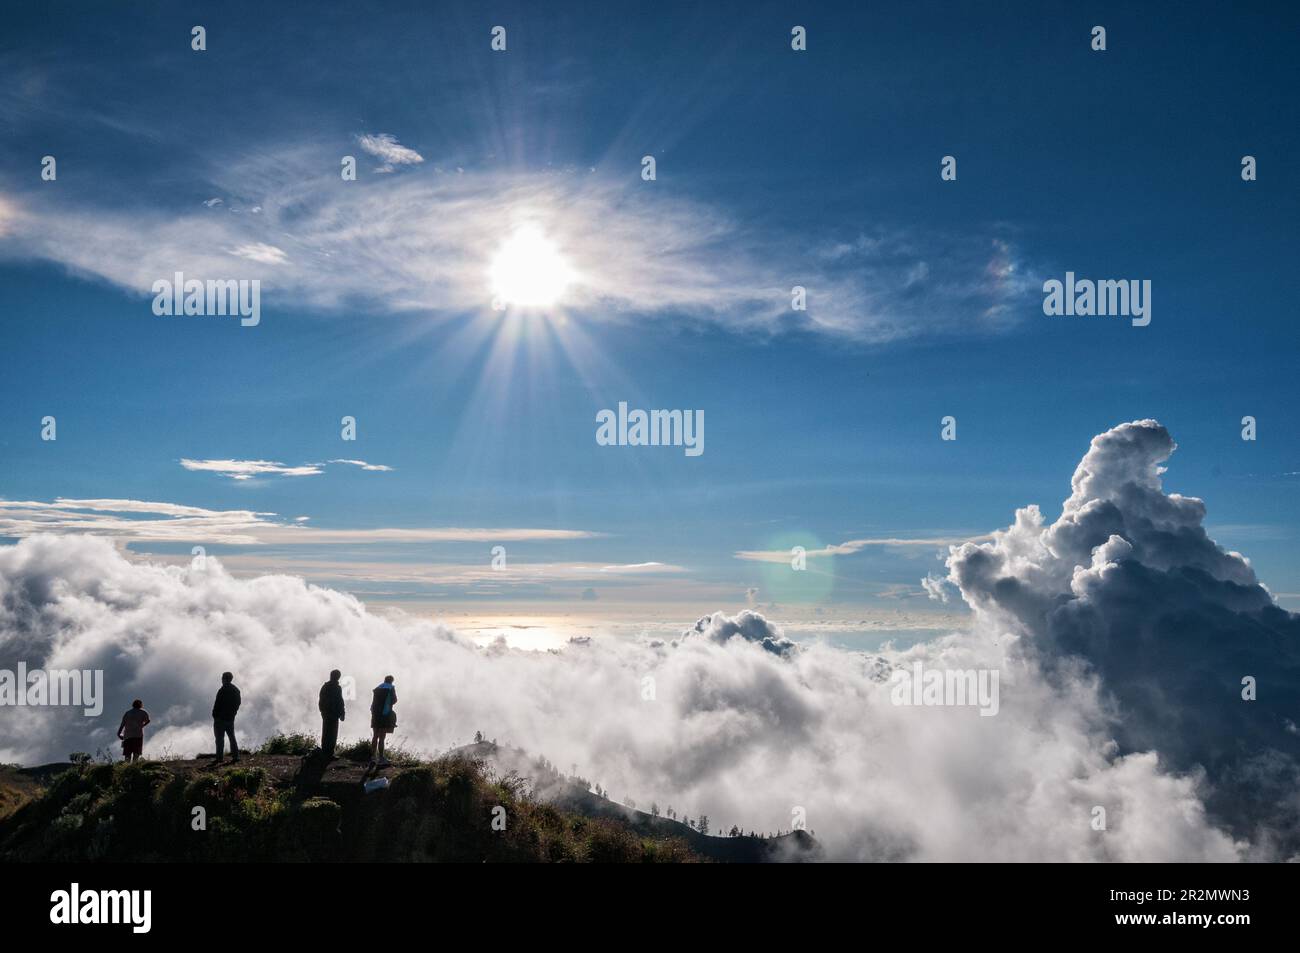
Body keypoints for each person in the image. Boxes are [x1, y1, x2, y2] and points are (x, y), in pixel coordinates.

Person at [211, 672, 242, 763]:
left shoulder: (222, 690)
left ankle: (219, 758)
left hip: (220, 719)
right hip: (230, 718)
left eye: (222, 678)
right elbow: (238, 703)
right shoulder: (236, 690)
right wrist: (234, 713)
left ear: (224, 679)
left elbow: (217, 704)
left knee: (219, 739)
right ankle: (236, 757)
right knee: (232, 737)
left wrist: (215, 715)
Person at [369, 675, 397, 767]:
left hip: (375, 714)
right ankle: (381, 758)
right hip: (385, 715)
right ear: (391, 681)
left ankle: (373, 757)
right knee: (382, 737)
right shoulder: (391, 688)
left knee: (375, 736)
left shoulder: (377, 688)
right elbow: (394, 700)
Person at [318, 669, 346, 760]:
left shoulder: (325, 686)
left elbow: (321, 700)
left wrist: (322, 711)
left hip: (327, 714)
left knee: (326, 732)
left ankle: (325, 752)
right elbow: (340, 701)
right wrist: (342, 713)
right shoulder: (337, 688)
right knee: (332, 734)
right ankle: (329, 753)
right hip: (333, 714)